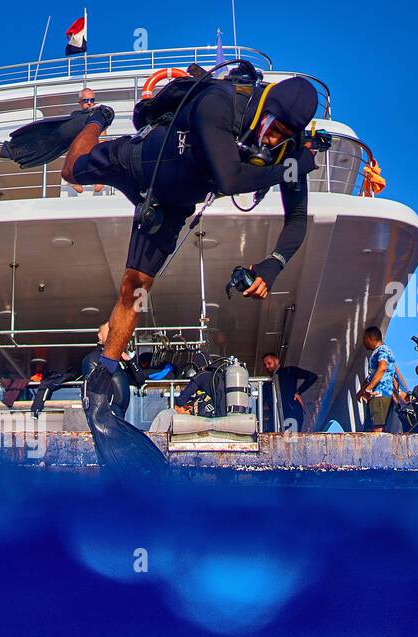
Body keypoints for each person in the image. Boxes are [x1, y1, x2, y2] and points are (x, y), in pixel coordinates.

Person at [57, 71, 321, 469]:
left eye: (283, 136)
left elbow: (297, 220)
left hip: (171, 205)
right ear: (264, 108)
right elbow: (228, 177)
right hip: (139, 161)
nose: (272, 141)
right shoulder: (219, 101)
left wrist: (273, 264)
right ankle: (96, 119)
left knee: (135, 287)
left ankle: (100, 388)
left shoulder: (289, 149)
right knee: (70, 170)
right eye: (273, 129)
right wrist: (291, 168)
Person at [260, 352, 318, 432]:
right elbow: (260, 402)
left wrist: (299, 392)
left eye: (269, 363)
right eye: (265, 364)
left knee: (290, 440)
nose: (267, 366)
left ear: (276, 361)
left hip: (291, 413)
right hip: (276, 418)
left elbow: (312, 377)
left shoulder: (289, 371)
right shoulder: (267, 384)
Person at [65, 89, 105, 196]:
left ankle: (100, 177)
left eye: (92, 100)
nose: (89, 103)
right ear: (79, 102)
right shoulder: (75, 115)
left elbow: (103, 133)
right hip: (80, 143)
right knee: (72, 146)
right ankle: (72, 178)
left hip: (94, 142)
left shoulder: (98, 114)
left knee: (103, 143)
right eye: (85, 100)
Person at [356, 326, 397, 432]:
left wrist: (369, 388)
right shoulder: (378, 351)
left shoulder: (382, 350)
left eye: (365, 338)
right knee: (371, 428)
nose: (364, 342)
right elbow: (372, 375)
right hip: (376, 395)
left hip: (379, 394)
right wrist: (362, 390)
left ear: (371, 338)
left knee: (377, 428)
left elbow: (383, 367)